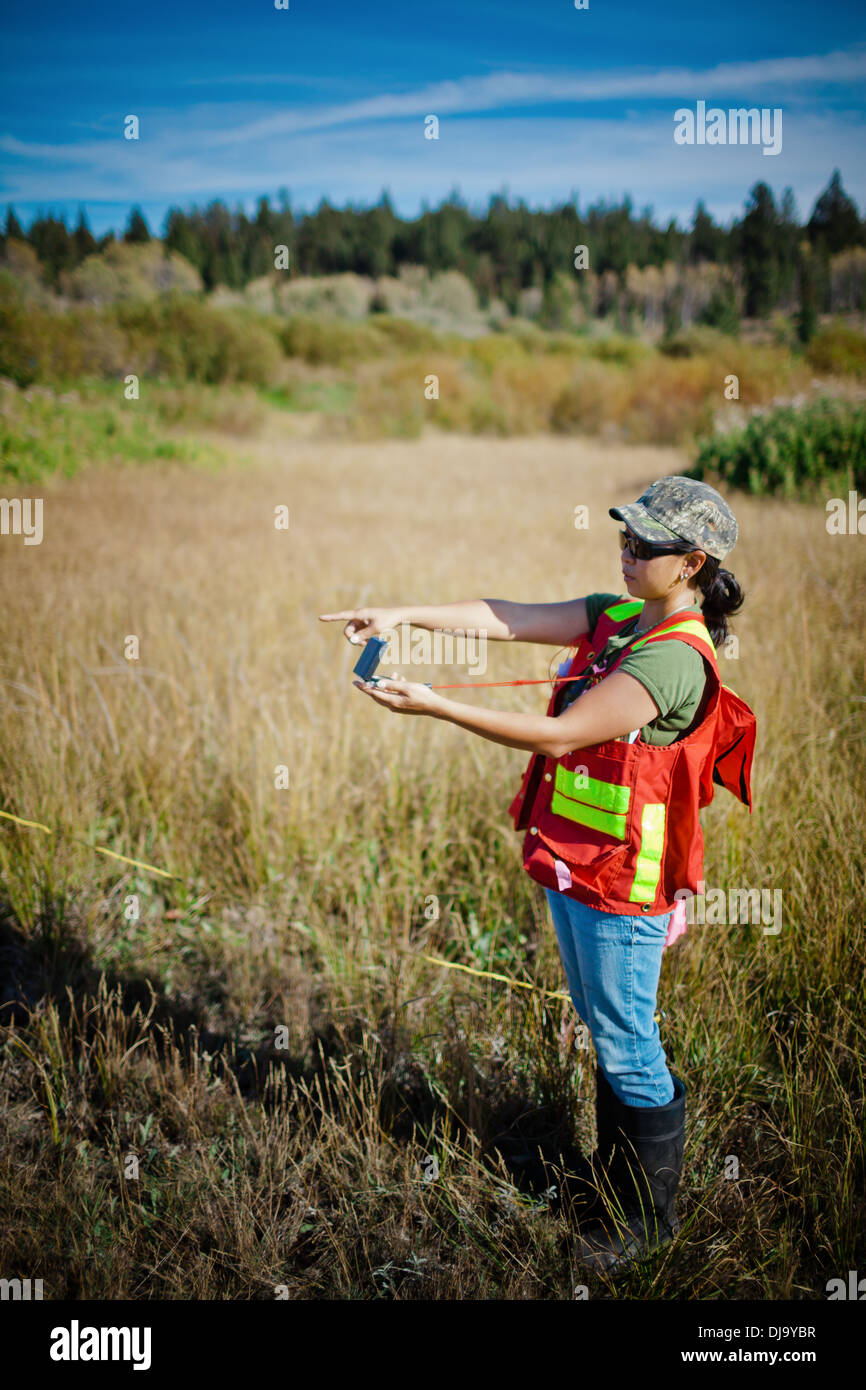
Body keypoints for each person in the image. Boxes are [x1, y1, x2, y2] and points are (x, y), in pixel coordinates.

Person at [319, 474, 756, 1274]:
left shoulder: (675, 663)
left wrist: (437, 706)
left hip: (623, 884)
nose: (625, 551)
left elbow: (560, 738)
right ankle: (612, 1183)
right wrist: (402, 615)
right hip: (577, 865)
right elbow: (510, 618)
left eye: (644, 545)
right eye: (623, 534)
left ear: (691, 563)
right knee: (605, 1028)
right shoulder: (620, 616)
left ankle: (643, 1227)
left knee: (628, 1043)